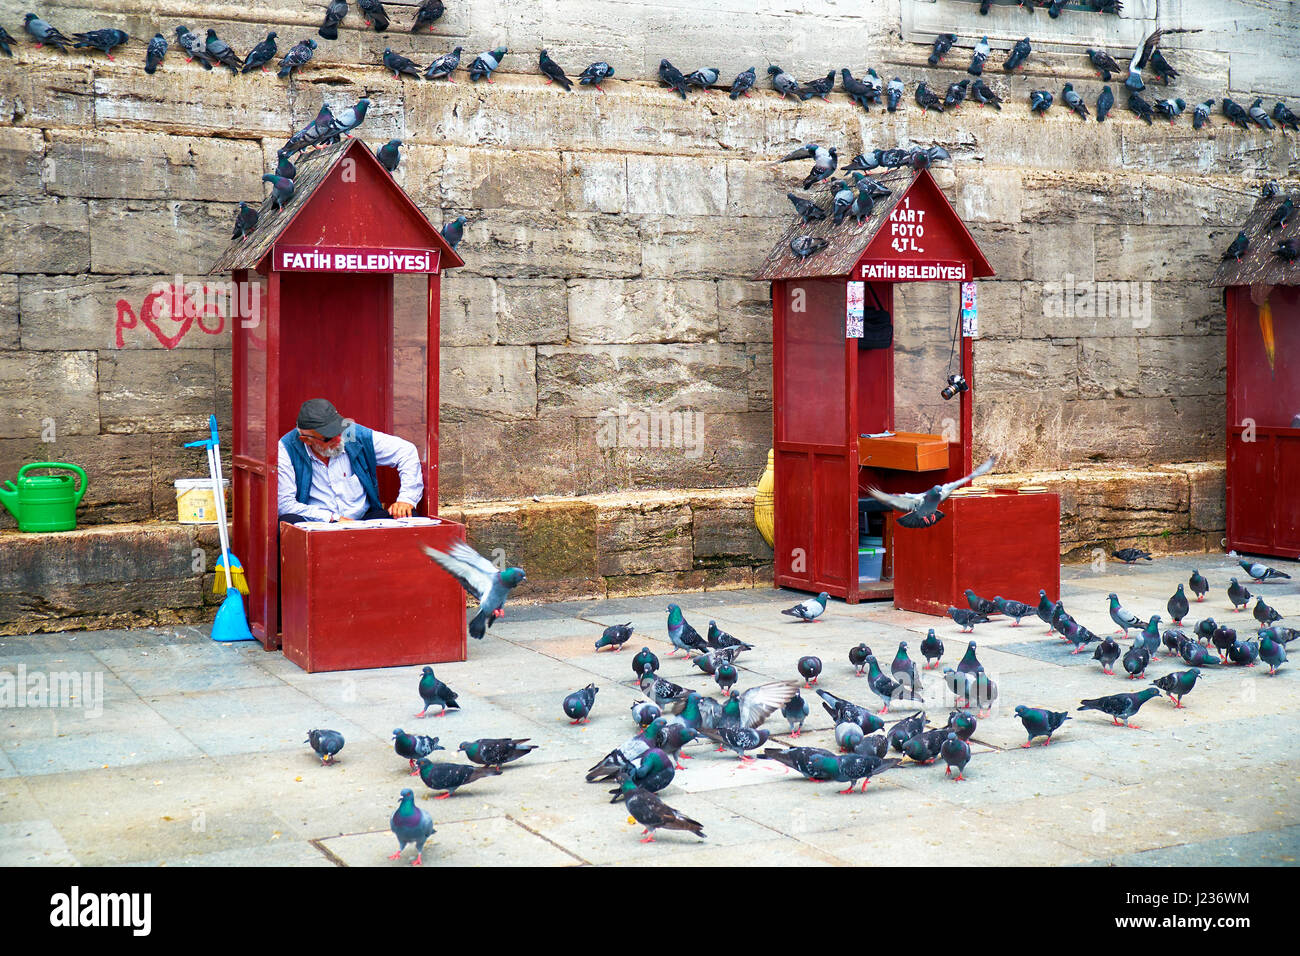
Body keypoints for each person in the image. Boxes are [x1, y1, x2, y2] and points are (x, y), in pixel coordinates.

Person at [278, 398, 423, 524]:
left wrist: (407, 499)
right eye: (329, 437)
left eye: (338, 431)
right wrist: (332, 518)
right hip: (317, 524)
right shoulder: (286, 449)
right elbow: (284, 504)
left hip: (363, 521)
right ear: (306, 440)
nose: (339, 439)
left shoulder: (353, 434)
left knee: (407, 517)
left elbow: (406, 450)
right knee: (287, 521)